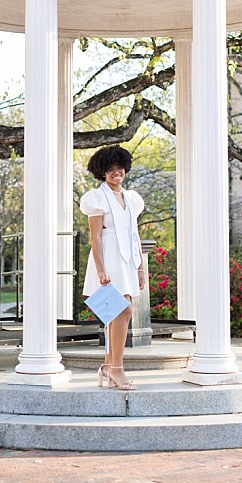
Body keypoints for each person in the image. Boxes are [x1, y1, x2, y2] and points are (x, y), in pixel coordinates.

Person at [79, 145, 147, 392]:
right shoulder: (96, 198)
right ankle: (116, 368)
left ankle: (109, 366)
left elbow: (134, 234)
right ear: (103, 172)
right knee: (122, 309)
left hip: (127, 260)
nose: (116, 173)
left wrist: (140, 268)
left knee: (117, 313)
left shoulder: (131, 198)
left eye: (119, 168)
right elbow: (95, 237)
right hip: (108, 258)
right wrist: (100, 269)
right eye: (110, 170)